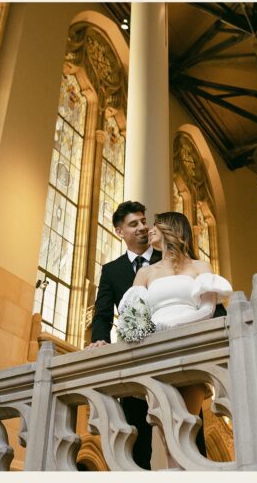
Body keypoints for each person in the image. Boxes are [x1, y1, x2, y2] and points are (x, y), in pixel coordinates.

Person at [118, 211, 232, 466]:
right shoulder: (145, 273)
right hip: (155, 352)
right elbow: (132, 315)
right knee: (166, 433)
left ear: (172, 229)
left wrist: (172, 326)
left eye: (156, 225)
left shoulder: (200, 267)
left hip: (189, 346)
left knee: (187, 427)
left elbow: (207, 310)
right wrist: (144, 331)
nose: (149, 230)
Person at [88, 200, 162, 469]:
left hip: (169, 349)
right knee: (137, 440)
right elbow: (102, 314)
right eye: (134, 224)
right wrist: (100, 340)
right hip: (132, 357)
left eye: (144, 221)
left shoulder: (167, 256)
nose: (142, 227)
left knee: (188, 429)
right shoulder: (111, 270)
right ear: (120, 232)